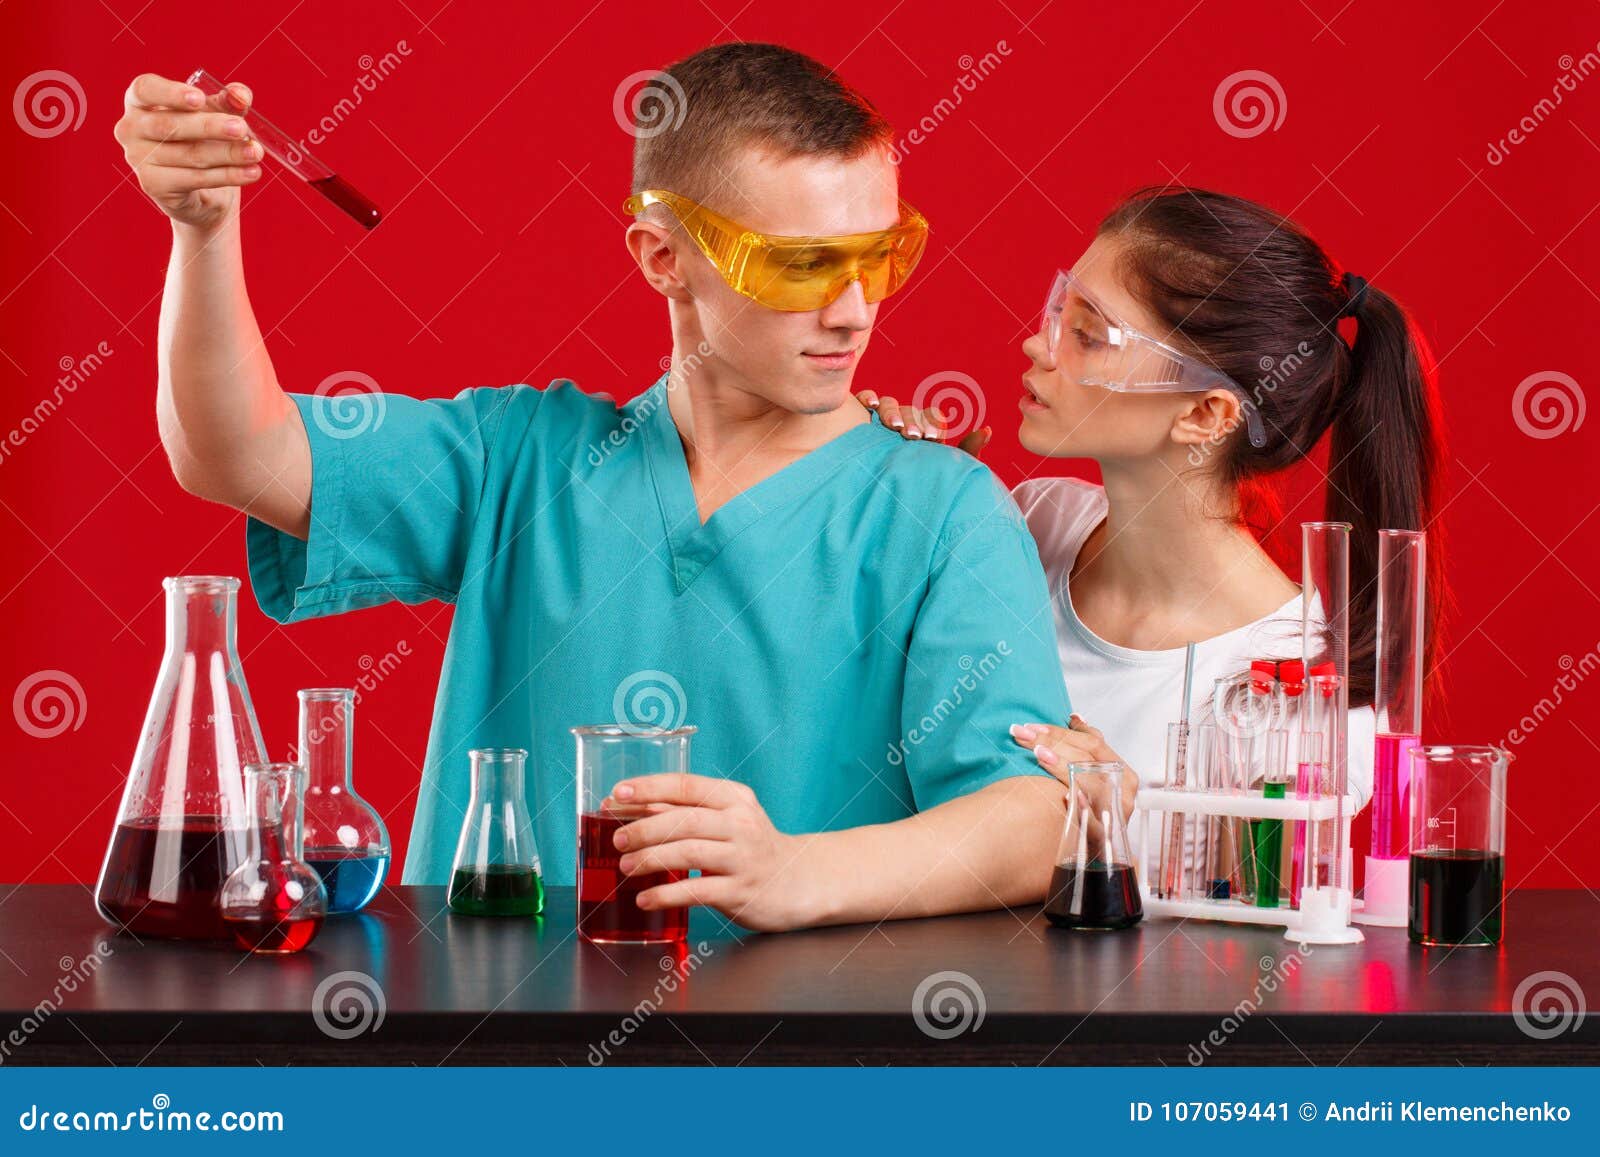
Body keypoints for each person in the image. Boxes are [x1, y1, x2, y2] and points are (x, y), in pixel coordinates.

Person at [114, 43, 1074, 932]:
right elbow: (231, 452)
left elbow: (1033, 816)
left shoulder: (945, 511)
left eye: (879, 255)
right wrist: (203, 232)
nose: (853, 310)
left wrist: (794, 872)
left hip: (785, 1066)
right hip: (491, 1054)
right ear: (663, 258)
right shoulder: (521, 458)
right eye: (800, 267)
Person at [862, 186, 1448, 856]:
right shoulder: (1032, 521)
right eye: (1060, 311)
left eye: (1087, 334)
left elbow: (1265, 947)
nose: (1037, 345)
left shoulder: (1302, 693)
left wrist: (1122, 836)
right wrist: (912, 508)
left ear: (1205, 414)